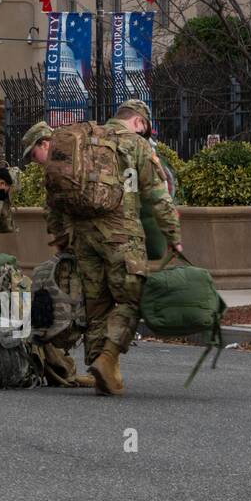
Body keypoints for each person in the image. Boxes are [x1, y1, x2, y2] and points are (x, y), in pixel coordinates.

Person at [70, 99, 181, 396]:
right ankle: (107, 360)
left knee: (96, 304)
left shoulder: (88, 140)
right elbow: (158, 196)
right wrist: (173, 235)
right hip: (121, 234)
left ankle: (100, 372)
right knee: (132, 298)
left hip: (83, 234)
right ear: (139, 122)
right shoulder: (137, 145)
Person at [18, 120, 93, 388]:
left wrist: (64, 243)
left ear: (44, 143)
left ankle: (66, 370)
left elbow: (61, 212)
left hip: (80, 246)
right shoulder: (79, 159)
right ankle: (85, 369)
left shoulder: (61, 166)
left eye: (33, 154)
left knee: (61, 310)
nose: (34, 161)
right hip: (92, 243)